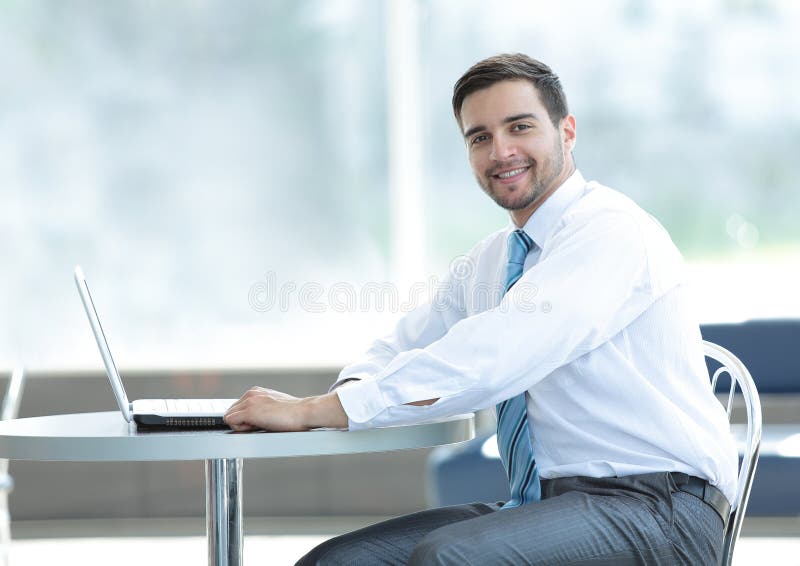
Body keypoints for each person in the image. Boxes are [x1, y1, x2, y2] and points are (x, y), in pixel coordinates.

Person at [224, 53, 738, 565]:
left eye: (520, 126)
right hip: (542, 506)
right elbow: (403, 346)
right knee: (338, 562)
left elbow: (494, 354)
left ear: (567, 131)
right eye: (480, 137)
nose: (501, 150)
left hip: (658, 510)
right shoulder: (492, 260)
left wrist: (316, 411)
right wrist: (338, 398)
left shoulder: (612, 231)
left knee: (450, 558)